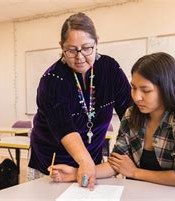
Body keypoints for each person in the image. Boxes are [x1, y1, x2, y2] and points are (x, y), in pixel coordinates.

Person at [49, 52, 175, 188]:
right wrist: (78, 172)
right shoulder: (132, 114)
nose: (136, 97)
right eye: (133, 88)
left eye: (145, 90)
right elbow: (116, 164)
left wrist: (134, 172)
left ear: (167, 88)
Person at [27, 12, 132, 190]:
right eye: (71, 50)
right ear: (61, 47)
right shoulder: (52, 80)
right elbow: (64, 128)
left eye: (87, 48)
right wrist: (84, 162)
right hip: (54, 164)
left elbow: (130, 114)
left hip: (93, 161)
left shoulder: (110, 69)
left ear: (97, 42)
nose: (80, 56)